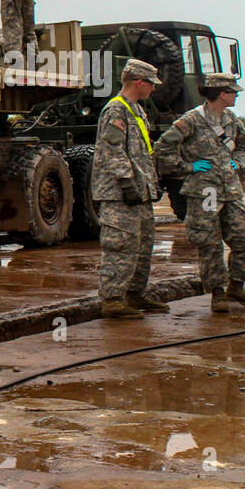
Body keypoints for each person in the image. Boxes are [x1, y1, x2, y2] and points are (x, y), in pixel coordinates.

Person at [155, 73, 245, 312]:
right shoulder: (191, 119)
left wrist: (239, 162)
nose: (236, 95)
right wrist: (187, 167)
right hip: (205, 192)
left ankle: (236, 287)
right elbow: (162, 147)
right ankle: (217, 293)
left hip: (231, 191)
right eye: (233, 92)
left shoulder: (231, 119)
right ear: (222, 94)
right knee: (210, 243)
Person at [92, 58, 166, 319]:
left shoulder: (136, 110)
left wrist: (152, 182)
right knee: (120, 245)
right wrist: (126, 182)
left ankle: (134, 295)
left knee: (143, 246)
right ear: (139, 82)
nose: (153, 89)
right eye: (150, 84)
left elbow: (142, 152)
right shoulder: (116, 110)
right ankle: (113, 300)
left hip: (140, 190)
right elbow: (112, 151)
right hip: (120, 193)